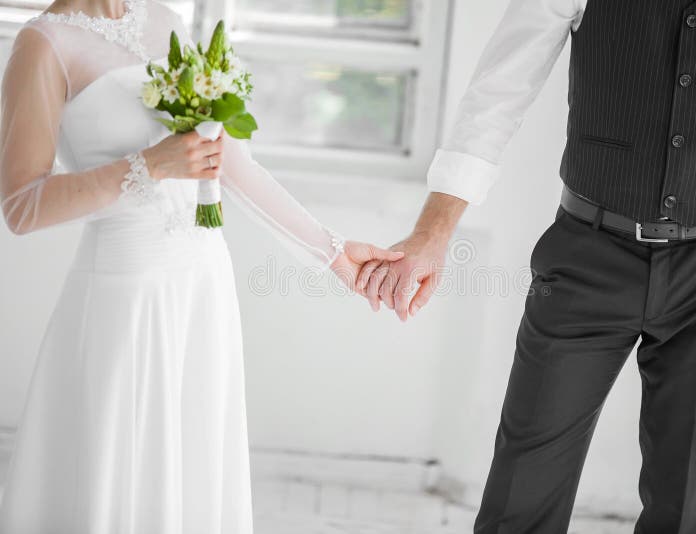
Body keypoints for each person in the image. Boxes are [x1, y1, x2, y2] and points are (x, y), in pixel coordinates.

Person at [359, 0, 696, 532]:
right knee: (522, 491)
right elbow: (500, 89)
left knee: (686, 506)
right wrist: (432, 232)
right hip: (588, 251)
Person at [0, 1, 402, 532]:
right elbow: (21, 206)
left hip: (202, 281)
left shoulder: (164, 21)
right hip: (128, 295)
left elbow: (229, 162)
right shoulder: (43, 44)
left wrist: (332, 252)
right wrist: (149, 166)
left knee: (193, 470)